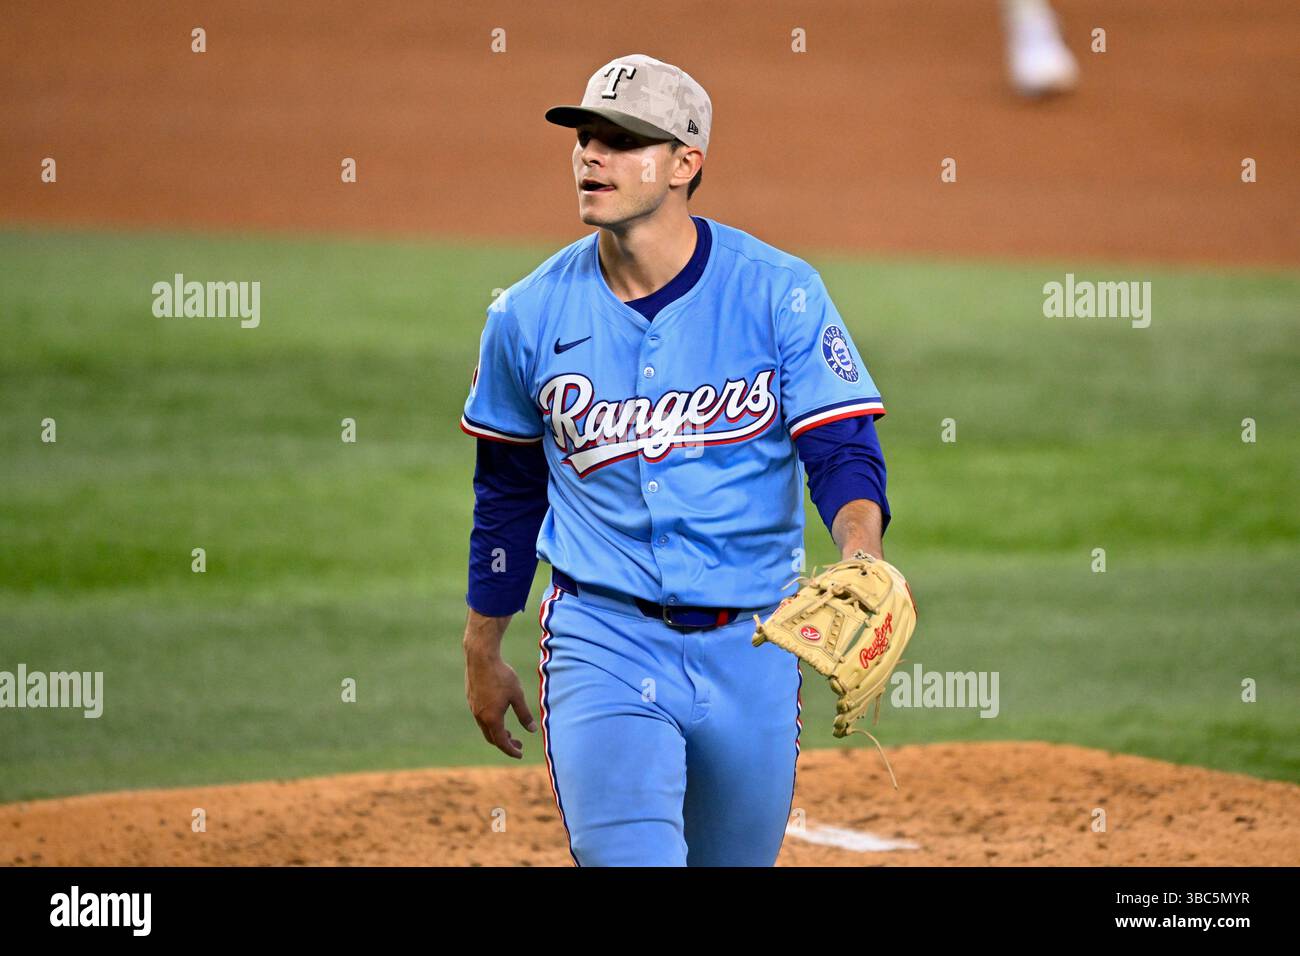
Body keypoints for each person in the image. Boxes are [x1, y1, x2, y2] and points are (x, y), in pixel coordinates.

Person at [459, 54, 890, 866]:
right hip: (602, 641)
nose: (593, 156)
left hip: (756, 647)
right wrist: (482, 646)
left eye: (623, 141)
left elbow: (839, 448)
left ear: (686, 163)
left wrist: (860, 555)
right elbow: (508, 495)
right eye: (587, 137)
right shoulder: (524, 315)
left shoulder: (779, 292)